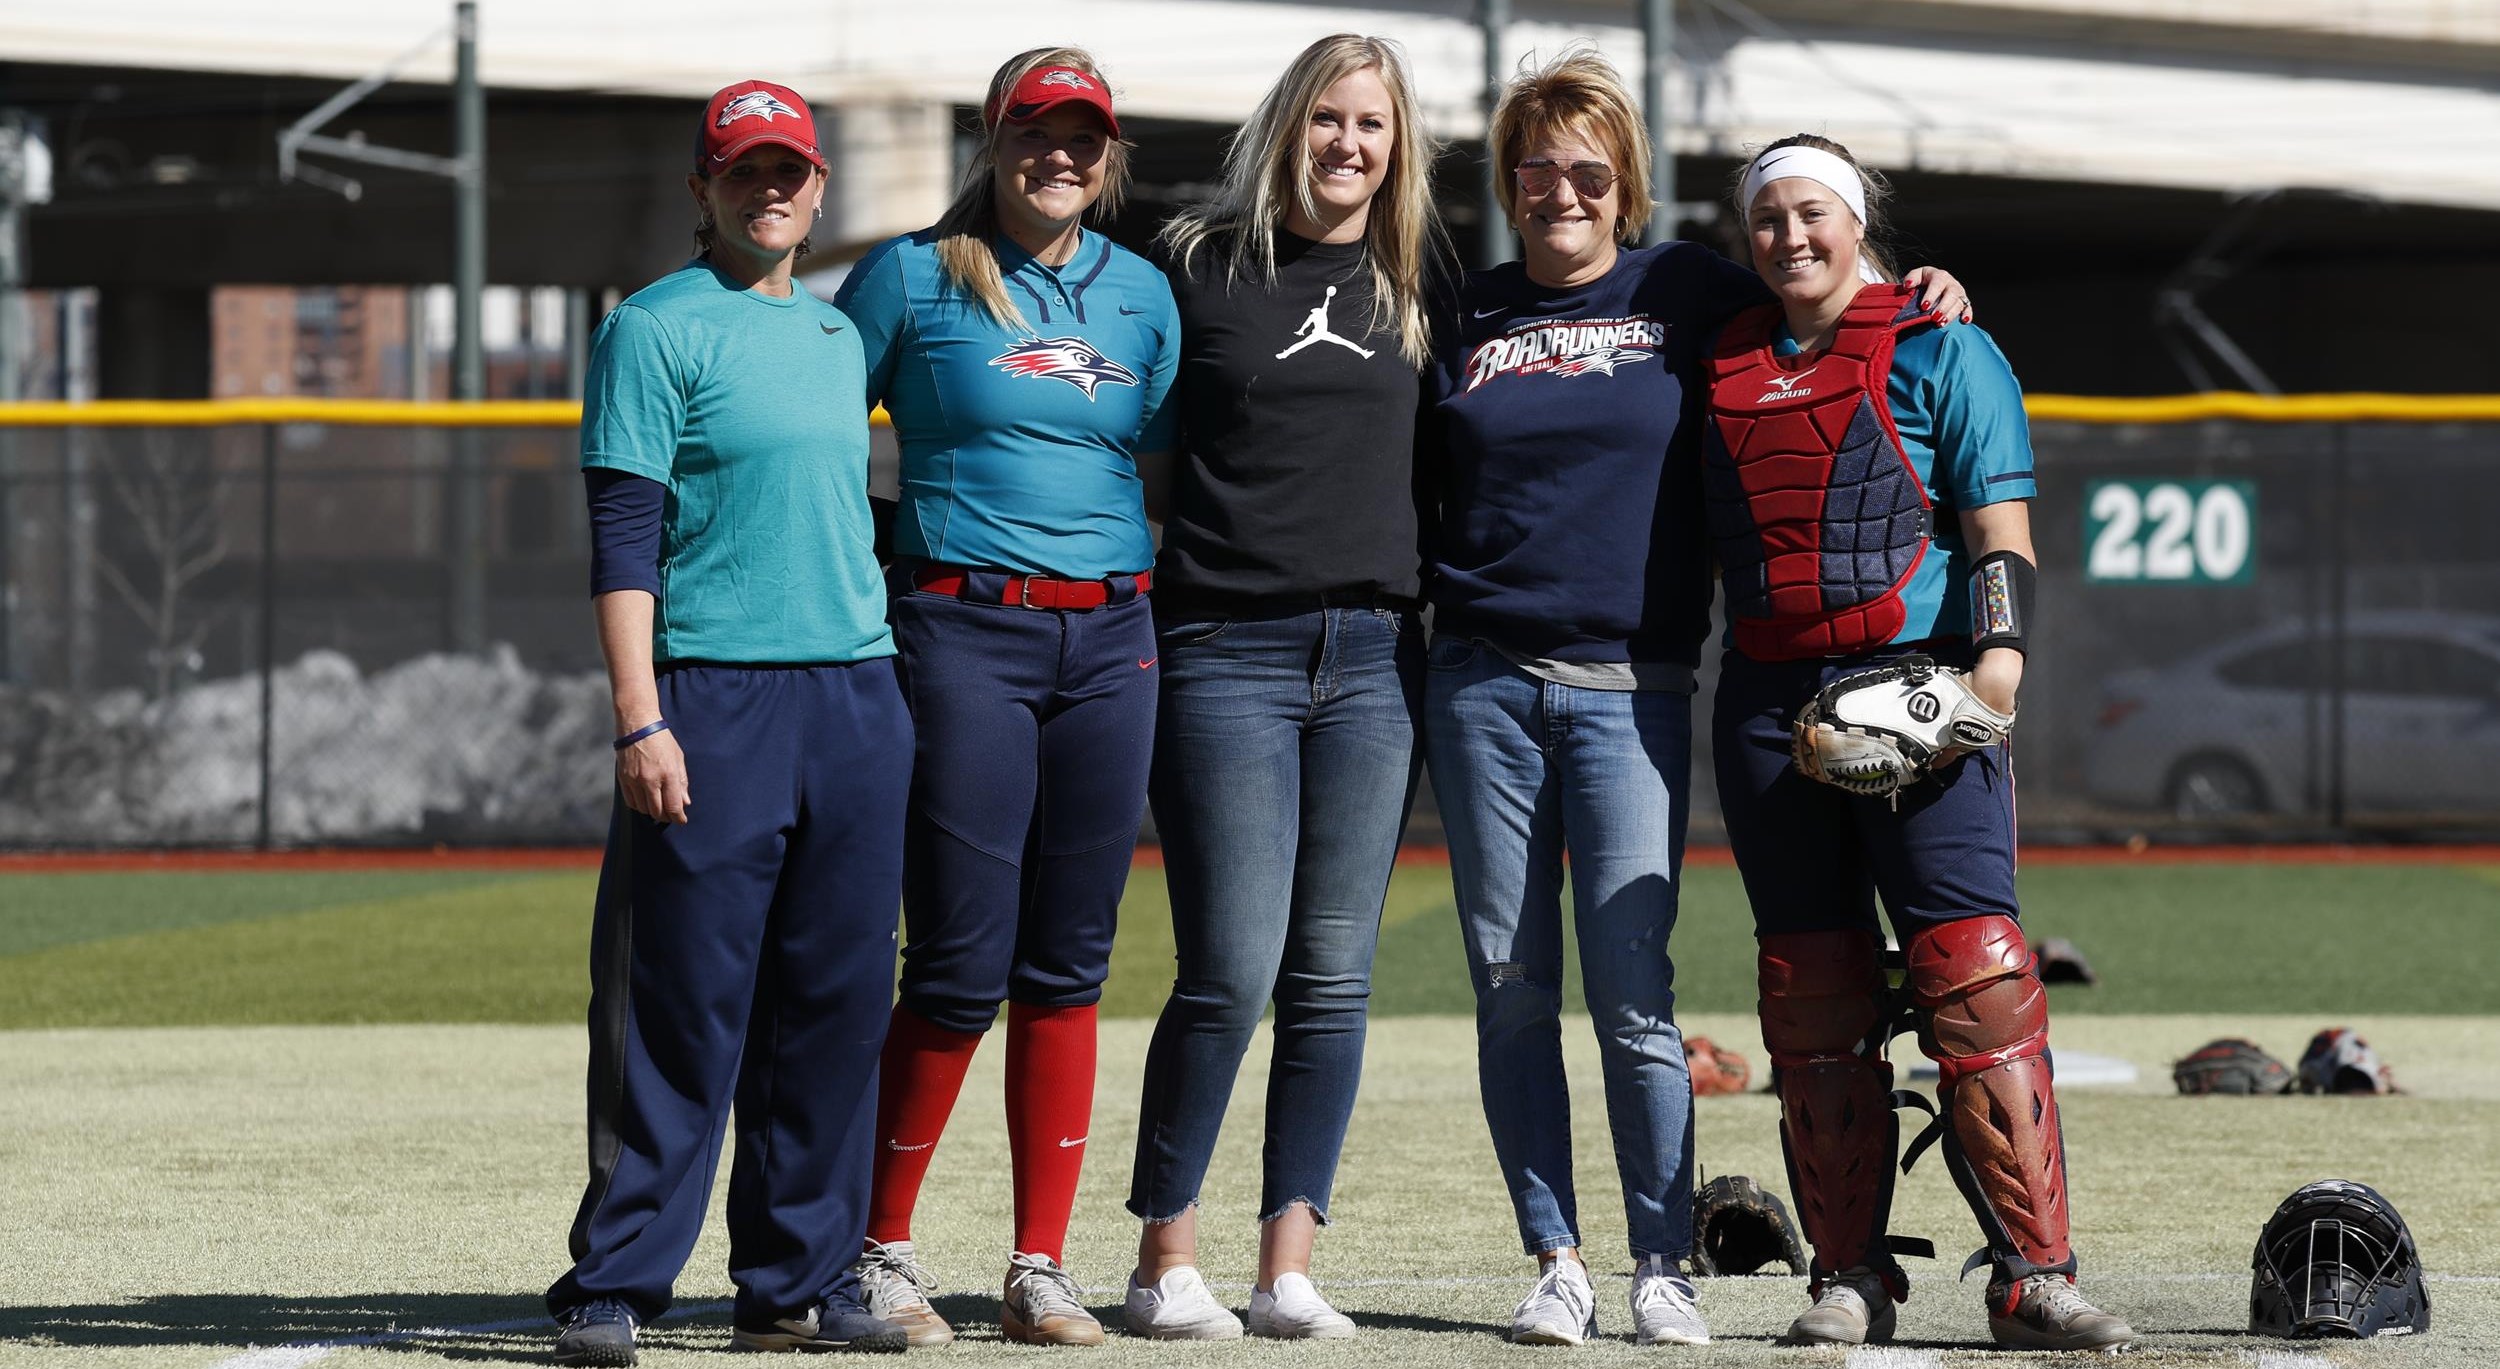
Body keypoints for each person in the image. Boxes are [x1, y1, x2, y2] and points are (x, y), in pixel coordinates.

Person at [1419, 51, 1969, 1348]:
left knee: (1633, 995)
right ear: (1509, 183)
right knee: (1508, 986)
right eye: (1538, 167)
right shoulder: (1458, 315)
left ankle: (1659, 1260)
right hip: (1482, 684)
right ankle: (1554, 1257)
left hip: (1631, 690)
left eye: (1588, 169)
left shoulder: (1691, 293)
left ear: (1628, 187)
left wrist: (1918, 288)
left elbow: (1823, 295)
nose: (1562, 188)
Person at [1702, 135, 2134, 1353]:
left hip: (1920, 689)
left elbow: (2000, 533)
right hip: (1769, 704)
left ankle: (2032, 1276)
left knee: (1975, 974)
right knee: (1811, 996)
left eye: (1814, 214)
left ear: (1857, 221)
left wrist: (1991, 675)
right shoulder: (1718, 353)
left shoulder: (1943, 344)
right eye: (1769, 218)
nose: (1791, 237)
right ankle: (1848, 1277)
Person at [545, 80, 912, 1366]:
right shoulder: (651, 328)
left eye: (791, 170)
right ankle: (620, 1277)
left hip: (856, 699)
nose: (771, 187)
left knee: (835, 1001)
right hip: (712, 696)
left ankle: (797, 1280)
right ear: (702, 188)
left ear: (819, 190)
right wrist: (640, 720)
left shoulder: (832, 338)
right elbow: (625, 540)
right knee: (682, 1004)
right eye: (744, 168)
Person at [833, 47, 1179, 1349]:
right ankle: (878, 1250)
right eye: (1037, 130)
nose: (1062, 153)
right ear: (995, 139)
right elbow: (821, 434)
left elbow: (1155, 456)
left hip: (1112, 641)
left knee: (1071, 962)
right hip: (963, 632)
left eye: (1084, 134)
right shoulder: (912, 275)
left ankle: (1040, 1263)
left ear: (1110, 151)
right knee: (963, 956)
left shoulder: (1142, 293)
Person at [1119, 33, 1449, 1343]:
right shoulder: (1194, 265)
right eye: (1326, 119)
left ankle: (1285, 1266)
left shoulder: (1425, 273)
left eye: (1371, 123)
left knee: (1333, 975)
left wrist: (1906, 287)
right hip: (1222, 654)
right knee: (1229, 970)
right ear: (1285, 127)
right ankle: (1164, 1261)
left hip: (1376, 661)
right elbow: (1116, 428)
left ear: (1397, 142)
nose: (1348, 145)